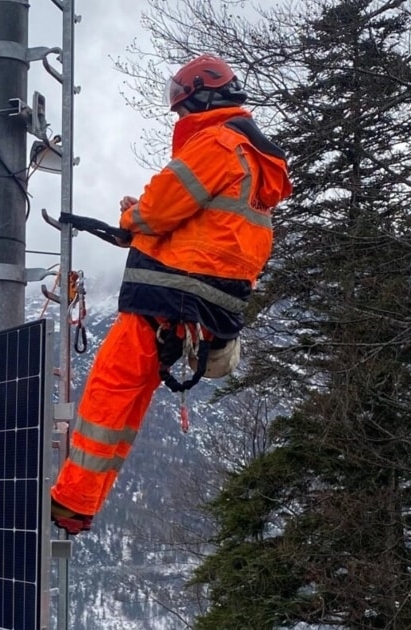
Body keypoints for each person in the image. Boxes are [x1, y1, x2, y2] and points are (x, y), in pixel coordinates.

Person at [50, 54, 293, 535]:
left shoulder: (217, 144)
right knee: (127, 401)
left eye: (182, 109)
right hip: (204, 306)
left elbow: (158, 211)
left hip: (169, 296)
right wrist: (141, 223)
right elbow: (206, 234)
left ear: (200, 99)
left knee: (111, 394)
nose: (179, 119)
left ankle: (72, 501)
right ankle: (76, 505)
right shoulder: (254, 166)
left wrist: (131, 218)